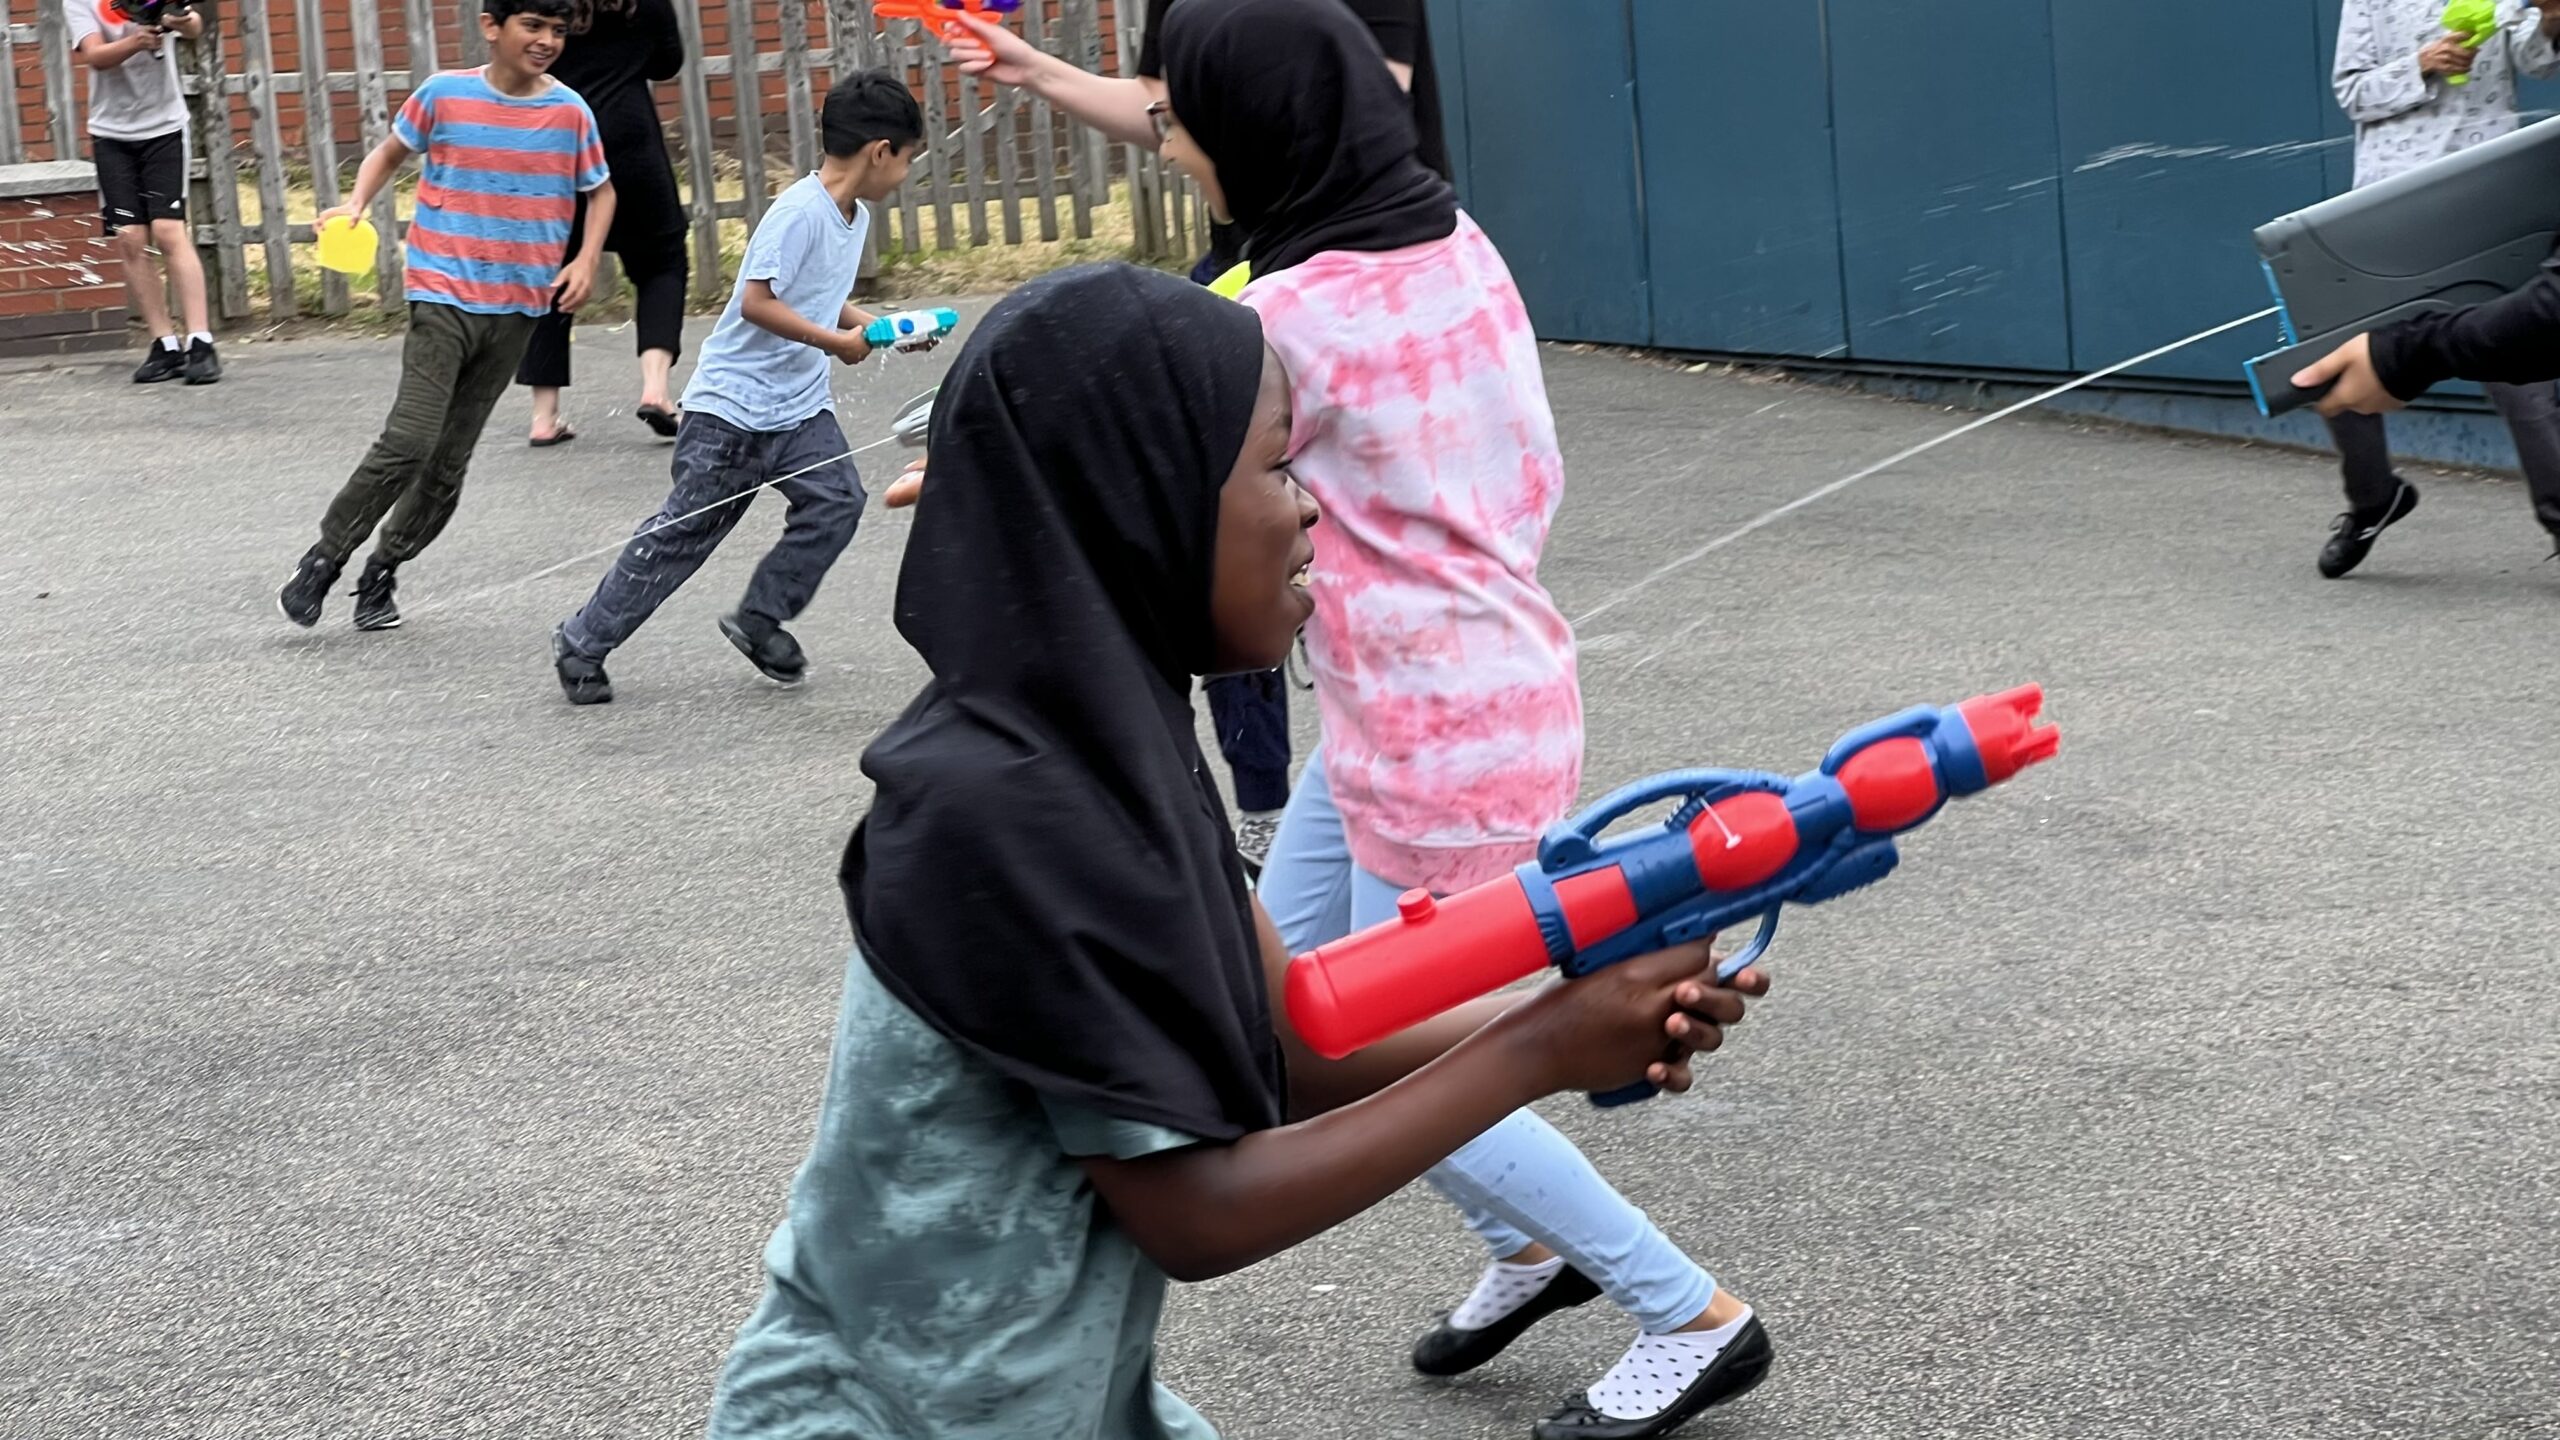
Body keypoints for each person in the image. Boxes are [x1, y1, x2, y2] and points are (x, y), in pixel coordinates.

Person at [701, 260, 1771, 1440]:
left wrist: (1581, 1015)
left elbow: (1291, 1026)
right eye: (1273, 465)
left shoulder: (1109, 739)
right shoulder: (1003, 808)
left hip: (1052, 1392)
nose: (1310, 506)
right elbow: (1195, 1212)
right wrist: (1536, 1049)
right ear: (1139, 498)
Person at [1164, 6, 1769, 1438]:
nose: (1176, 146)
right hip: (1451, 700)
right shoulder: (1452, 243)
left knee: (1397, 1055)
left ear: (1260, 133)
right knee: (1285, 1018)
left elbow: (1168, 472)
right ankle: (1528, 1249)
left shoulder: (1288, 322)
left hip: (1439, 747)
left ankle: (1689, 1311)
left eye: (1187, 123)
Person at [945, 0, 1444, 876]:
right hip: (1262, 266)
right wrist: (1033, 67)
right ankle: (1260, 803)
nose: (1166, 147)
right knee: (1217, 535)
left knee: (1248, 517)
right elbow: (1167, 107)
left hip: (1345, 269)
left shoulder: (1331, 296)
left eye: (1183, 126)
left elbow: (1354, 106)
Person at [547, 71, 922, 705]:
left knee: (835, 503)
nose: (906, 174)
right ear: (880, 151)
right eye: (908, 159)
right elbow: (756, 304)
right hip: (731, 411)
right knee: (683, 534)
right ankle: (583, 640)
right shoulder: (798, 212)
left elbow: (821, 299)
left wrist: (882, 329)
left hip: (798, 410)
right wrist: (838, 344)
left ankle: (760, 617)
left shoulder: (851, 215)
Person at [276, 0, 613, 631]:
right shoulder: (444, 95)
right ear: (493, 27)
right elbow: (388, 153)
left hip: (517, 307)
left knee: (448, 463)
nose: (546, 41)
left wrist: (587, 259)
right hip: (441, 294)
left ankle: (384, 571)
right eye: (532, 26)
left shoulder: (569, 111)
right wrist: (354, 204)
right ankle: (324, 559)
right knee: (409, 440)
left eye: (557, 31)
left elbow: (601, 189)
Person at [2311, 0, 2560, 577]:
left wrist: (2549, 18)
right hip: (2387, 197)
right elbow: (2351, 91)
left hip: (2484, 190)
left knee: (2515, 367)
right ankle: (2375, 499)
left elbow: (2538, 61)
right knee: (2334, 355)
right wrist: (2420, 63)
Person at [514, 0, 690, 446]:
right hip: (628, 136)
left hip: (556, 136)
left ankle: (544, 415)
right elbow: (668, 62)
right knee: (660, 260)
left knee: (554, 267)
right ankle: (656, 390)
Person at [66, 0, 218, 385]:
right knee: (130, 238)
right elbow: (96, 56)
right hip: (111, 133)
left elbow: (194, 26)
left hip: (164, 128)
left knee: (168, 231)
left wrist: (177, 20)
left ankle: (201, 342)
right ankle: (164, 344)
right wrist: (138, 40)